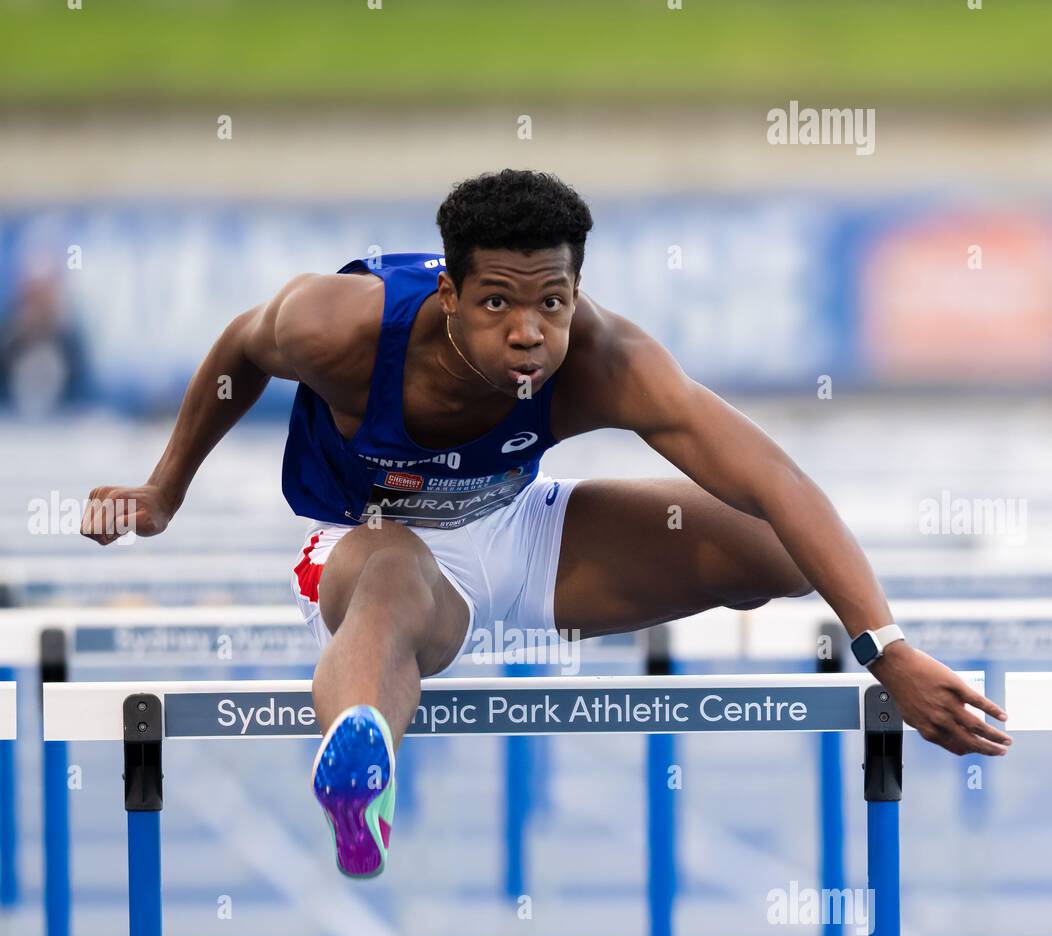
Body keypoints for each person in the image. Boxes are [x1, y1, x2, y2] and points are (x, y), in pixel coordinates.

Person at [81, 169, 1010, 878]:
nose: (529, 332)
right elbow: (241, 350)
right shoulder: (338, 328)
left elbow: (775, 477)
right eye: (498, 303)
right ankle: (361, 759)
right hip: (368, 545)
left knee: (771, 549)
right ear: (447, 293)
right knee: (399, 580)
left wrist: (885, 646)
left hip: (524, 533)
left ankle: (369, 725)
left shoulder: (608, 360)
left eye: (551, 303)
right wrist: (166, 490)